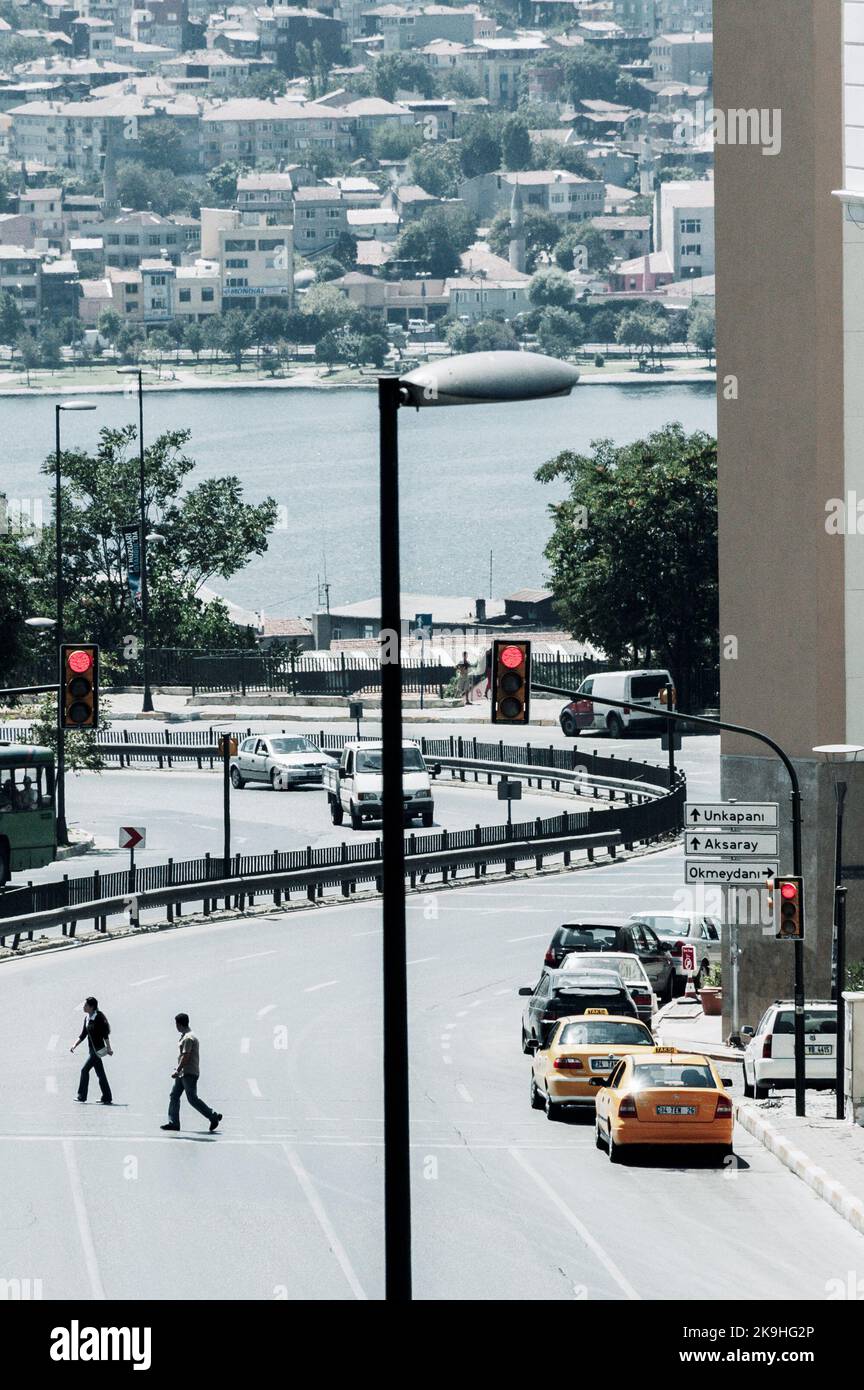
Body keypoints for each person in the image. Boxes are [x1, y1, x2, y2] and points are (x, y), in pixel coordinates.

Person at [161, 1013, 222, 1133]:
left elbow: (186, 1056)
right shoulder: (186, 1036)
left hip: (188, 1072)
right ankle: (173, 1123)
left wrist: (177, 1070)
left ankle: (213, 1116)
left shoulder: (188, 1038)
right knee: (174, 1096)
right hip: (183, 1073)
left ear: (179, 1024)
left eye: (176, 1024)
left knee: (192, 1099)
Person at [71, 997, 113, 1105]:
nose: (83, 1007)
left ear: (92, 1007)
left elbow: (105, 1034)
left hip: (97, 1050)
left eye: (86, 1005)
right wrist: (74, 1045)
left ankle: (82, 1096)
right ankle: (107, 1097)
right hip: (92, 1050)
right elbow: (83, 1034)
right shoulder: (87, 1018)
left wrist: (109, 1048)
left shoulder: (98, 1017)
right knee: (100, 1074)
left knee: (84, 1070)